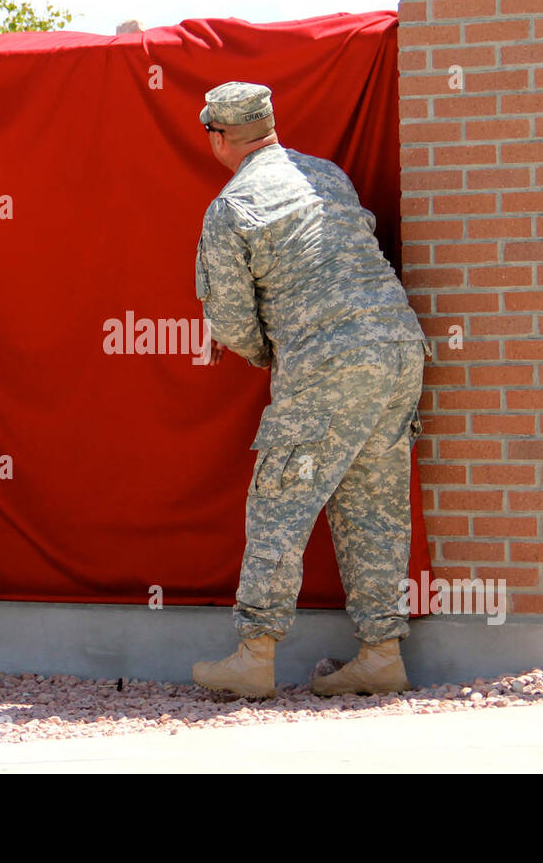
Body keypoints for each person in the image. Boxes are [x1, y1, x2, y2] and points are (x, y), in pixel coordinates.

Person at [190, 82, 427, 699]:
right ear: (270, 124)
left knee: (279, 501)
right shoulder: (327, 174)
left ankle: (254, 655)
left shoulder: (232, 207)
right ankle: (380, 653)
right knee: (374, 501)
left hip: (328, 358)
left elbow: (235, 322)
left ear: (218, 137)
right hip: (400, 345)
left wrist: (281, 353)